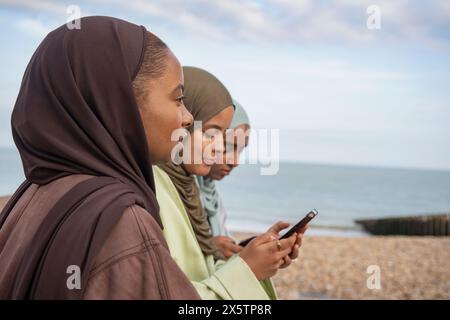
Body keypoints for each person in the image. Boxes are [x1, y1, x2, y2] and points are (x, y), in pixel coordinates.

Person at [0, 16, 199, 300]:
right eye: (178, 99)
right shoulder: (122, 223)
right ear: (119, 102)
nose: (189, 117)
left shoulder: (29, 196)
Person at [154, 66, 303, 299]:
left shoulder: (190, 187)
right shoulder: (154, 188)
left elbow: (200, 275)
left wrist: (254, 259)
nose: (229, 156)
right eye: (215, 136)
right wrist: (246, 267)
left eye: (237, 149)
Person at [197, 99, 250, 259]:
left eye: (240, 150)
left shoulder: (212, 195)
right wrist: (207, 248)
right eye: (228, 147)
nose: (235, 162)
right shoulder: (178, 189)